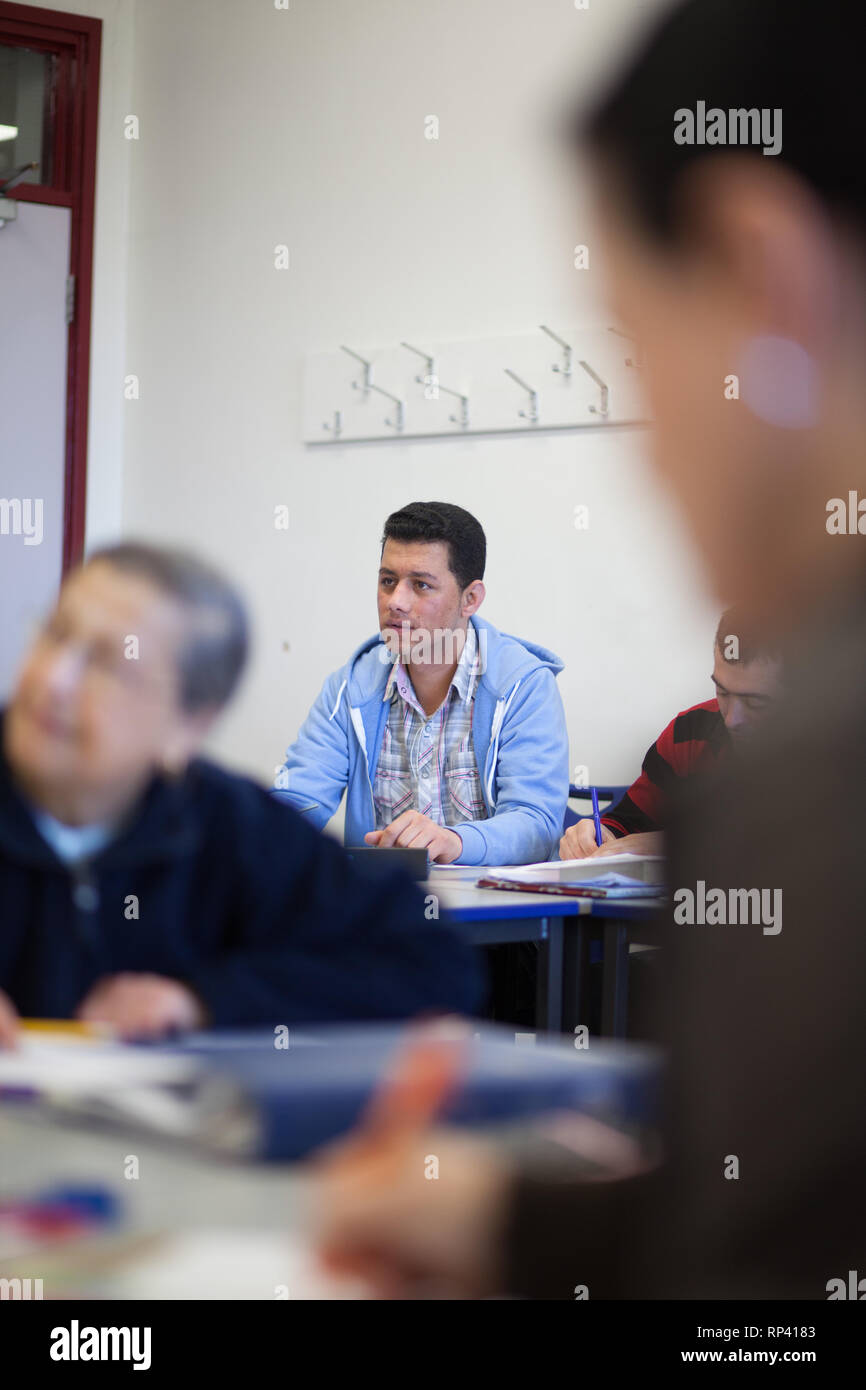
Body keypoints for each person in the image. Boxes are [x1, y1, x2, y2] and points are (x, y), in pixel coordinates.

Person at [311, 0, 866, 1298]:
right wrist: (511, 1223)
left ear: (754, 273)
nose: (647, 445)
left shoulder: (810, 776)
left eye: (630, 343)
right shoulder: (354, 682)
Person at [0, 543, 483, 1044]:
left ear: (190, 724)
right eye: (54, 637)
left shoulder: (226, 824)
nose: (53, 680)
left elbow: (435, 966)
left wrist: (206, 1001)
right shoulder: (352, 687)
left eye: (105, 665)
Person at [275, 501, 569, 866]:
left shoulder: (524, 687)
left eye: (421, 585)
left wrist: (454, 842)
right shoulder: (349, 688)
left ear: (471, 599)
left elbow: (537, 827)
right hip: (386, 913)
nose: (396, 601)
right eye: (388, 581)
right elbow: (298, 801)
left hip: (497, 912)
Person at [559, 607, 782, 859]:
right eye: (722, 692)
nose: (732, 719)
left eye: (756, 703)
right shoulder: (688, 735)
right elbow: (627, 825)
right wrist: (598, 835)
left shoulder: (831, 751)